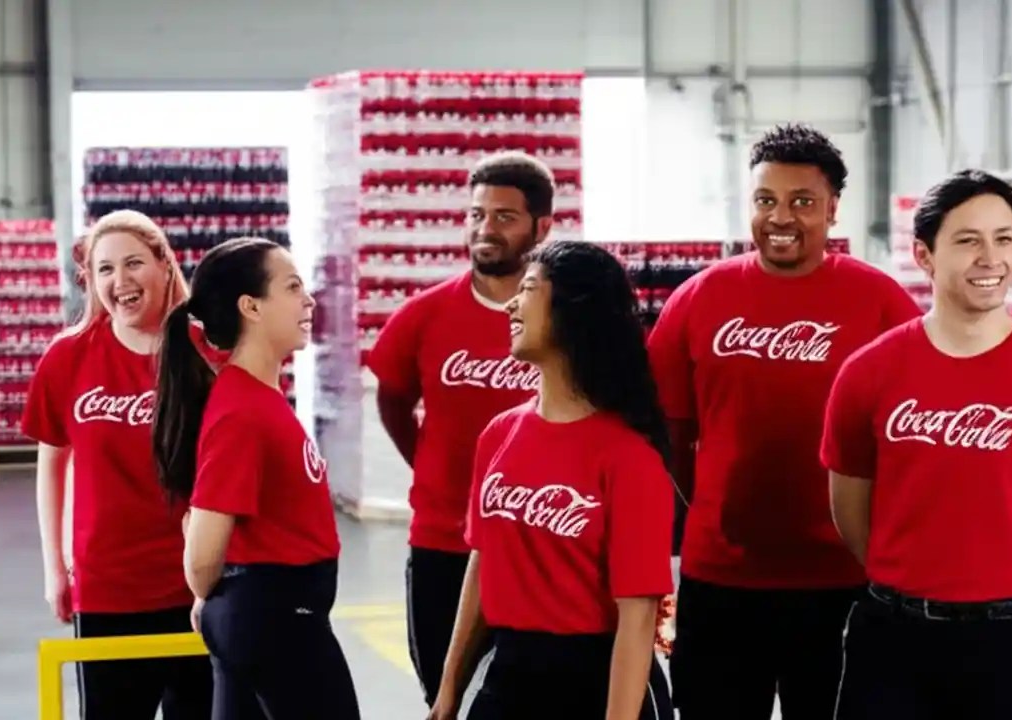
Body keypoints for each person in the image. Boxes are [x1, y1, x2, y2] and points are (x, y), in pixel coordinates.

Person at [821, 169, 1012, 719]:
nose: (992, 258)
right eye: (968, 241)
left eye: (1003, 238)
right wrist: (914, 585)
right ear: (924, 256)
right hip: (891, 639)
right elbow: (850, 512)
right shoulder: (867, 373)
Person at [645, 122, 921, 718]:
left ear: (833, 209)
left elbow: (909, 437)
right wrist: (712, 510)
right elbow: (667, 434)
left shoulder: (882, 302)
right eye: (766, 201)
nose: (781, 217)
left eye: (802, 202)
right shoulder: (697, 299)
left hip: (844, 582)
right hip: (721, 581)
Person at [430, 240, 674, 720]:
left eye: (528, 289)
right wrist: (449, 688)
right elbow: (482, 564)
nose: (511, 304)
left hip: (598, 682)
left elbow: (638, 616)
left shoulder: (629, 457)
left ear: (572, 312)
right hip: (510, 676)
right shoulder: (498, 435)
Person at [365, 150, 551, 707]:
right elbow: (394, 400)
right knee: (445, 699)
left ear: (543, 227)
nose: (484, 229)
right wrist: (428, 463)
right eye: (476, 214)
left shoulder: (567, 318)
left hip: (541, 541)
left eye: (503, 216)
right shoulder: (423, 316)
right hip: (443, 543)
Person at [151, 236, 359, 720]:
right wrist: (217, 599)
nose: (308, 300)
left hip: (269, 618)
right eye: (292, 287)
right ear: (252, 307)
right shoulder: (242, 412)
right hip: (276, 622)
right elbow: (201, 558)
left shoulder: (260, 397)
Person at [21, 209, 213, 720]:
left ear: (165, 266)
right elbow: (52, 464)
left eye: (133, 264)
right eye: (104, 269)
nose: (119, 282)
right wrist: (54, 568)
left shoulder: (204, 352)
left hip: (196, 583)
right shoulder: (68, 356)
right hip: (107, 588)